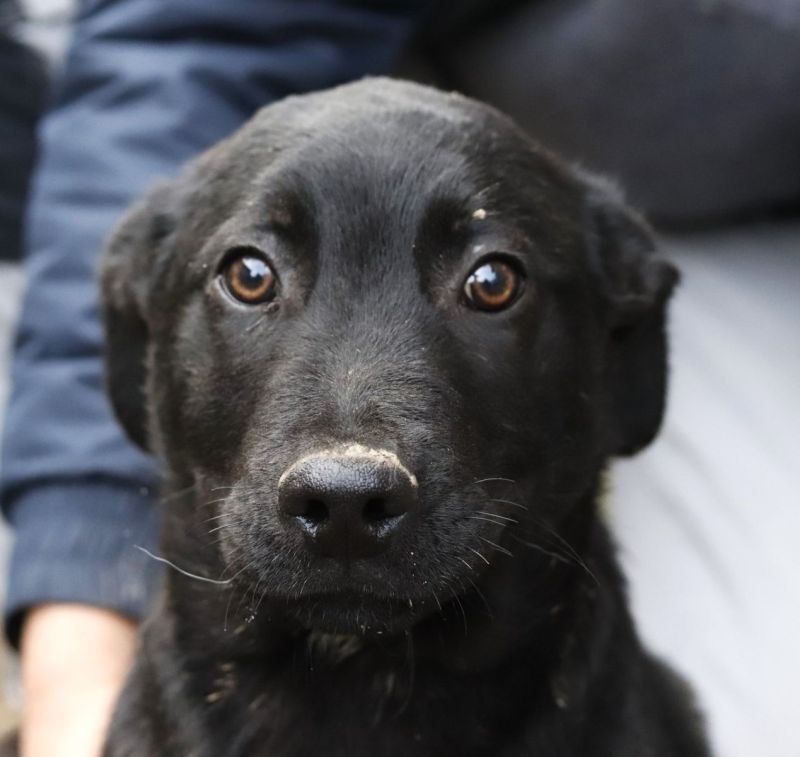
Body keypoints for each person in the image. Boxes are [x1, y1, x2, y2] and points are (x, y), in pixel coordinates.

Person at [1, 1, 798, 756]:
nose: (349, 465)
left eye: (491, 284)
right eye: (250, 278)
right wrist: (75, 664)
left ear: (623, 352)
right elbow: (187, 43)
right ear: (137, 349)